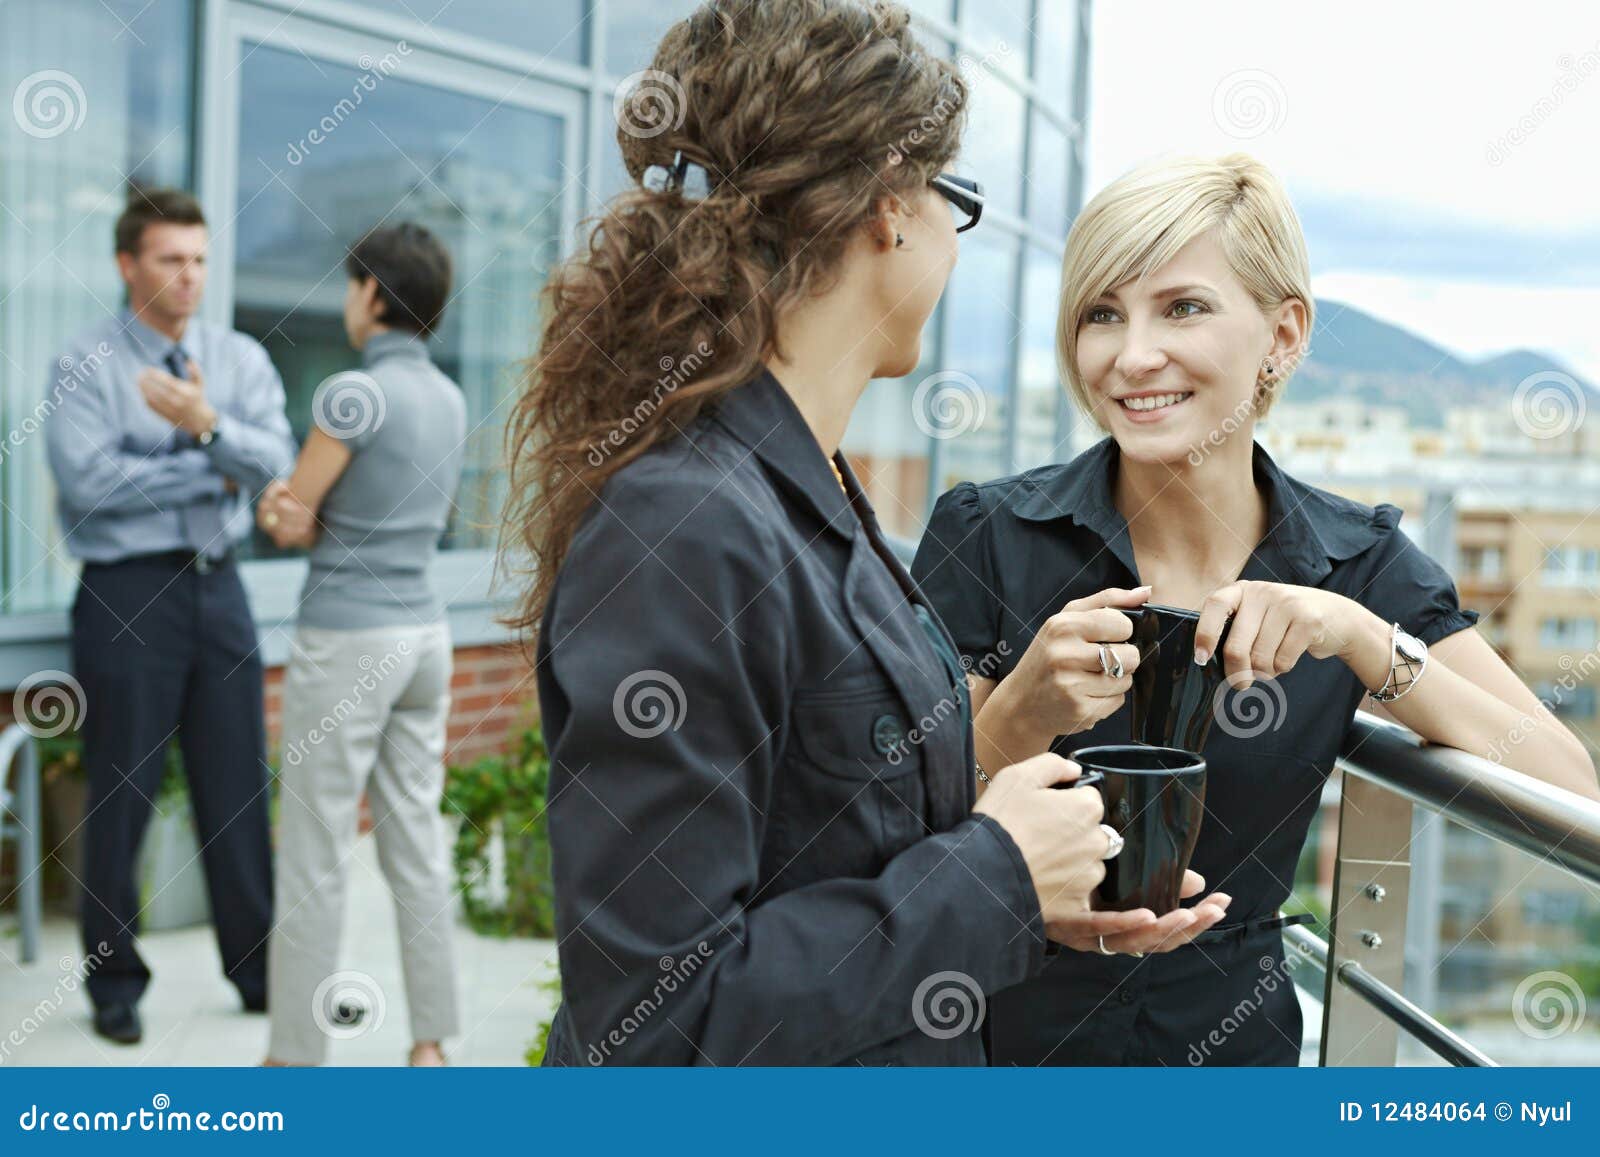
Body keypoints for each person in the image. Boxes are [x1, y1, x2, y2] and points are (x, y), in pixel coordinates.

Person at [501, 0, 1230, 1067]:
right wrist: (995, 873)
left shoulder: (801, 481)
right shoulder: (685, 521)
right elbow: (657, 1025)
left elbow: (820, 847)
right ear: (891, 204)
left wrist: (1028, 891)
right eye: (955, 198)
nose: (952, 237)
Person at [911, 153, 1600, 1067]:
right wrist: (1020, 710)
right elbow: (891, 815)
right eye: (1101, 315)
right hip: (988, 1052)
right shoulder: (990, 530)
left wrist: (1359, 638)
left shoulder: (1357, 566)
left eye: (1182, 307)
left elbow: (1566, 783)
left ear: (1284, 333)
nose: (1132, 355)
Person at [45, 187, 296, 1044]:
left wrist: (203, 425)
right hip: (127, 595)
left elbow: (278, 464)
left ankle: (257, 968)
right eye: (169, 259)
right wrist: (208, 457)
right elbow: (88, 483)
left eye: (198, 259)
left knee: (237, 787)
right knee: (122, 792)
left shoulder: (236, 359)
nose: (189, 276)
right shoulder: (85, 363)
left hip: (219, 588)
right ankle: (114, 985)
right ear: (128, 265)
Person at [255, 223, 466, 1067]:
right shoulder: (449, 397)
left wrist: (276, 500)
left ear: (374, 293)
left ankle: (296, 1059)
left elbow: (290, 519)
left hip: (348, 637)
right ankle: (431, 1043)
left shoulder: (351, 392)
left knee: (315, 847)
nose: (346, 301)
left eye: (352, 285)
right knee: (415, 840)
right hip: (426, 632)